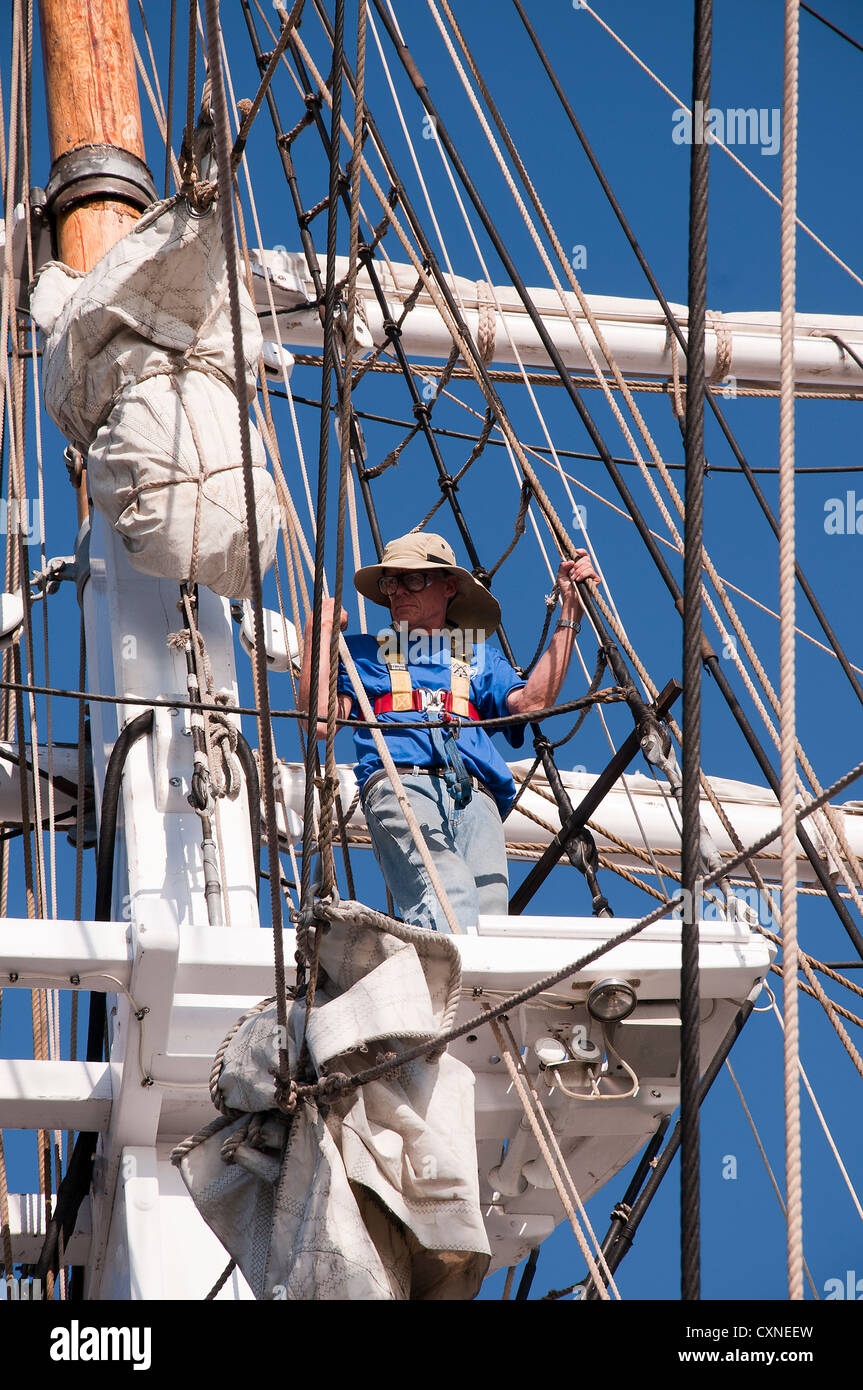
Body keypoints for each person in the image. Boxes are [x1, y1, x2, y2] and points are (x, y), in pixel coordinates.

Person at [298, 532, 598, 933]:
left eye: (413, 579)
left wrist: (571, 613)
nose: (398, 591)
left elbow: (532, 704)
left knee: (491, 916)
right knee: (447, 887)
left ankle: (478, 994)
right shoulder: (363, 653)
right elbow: (319, 721)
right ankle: (449, 989)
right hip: (402, 785)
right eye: (391, 582)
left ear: (448, 587)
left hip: (477, 798)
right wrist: (317, 633)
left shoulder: (476, 656)